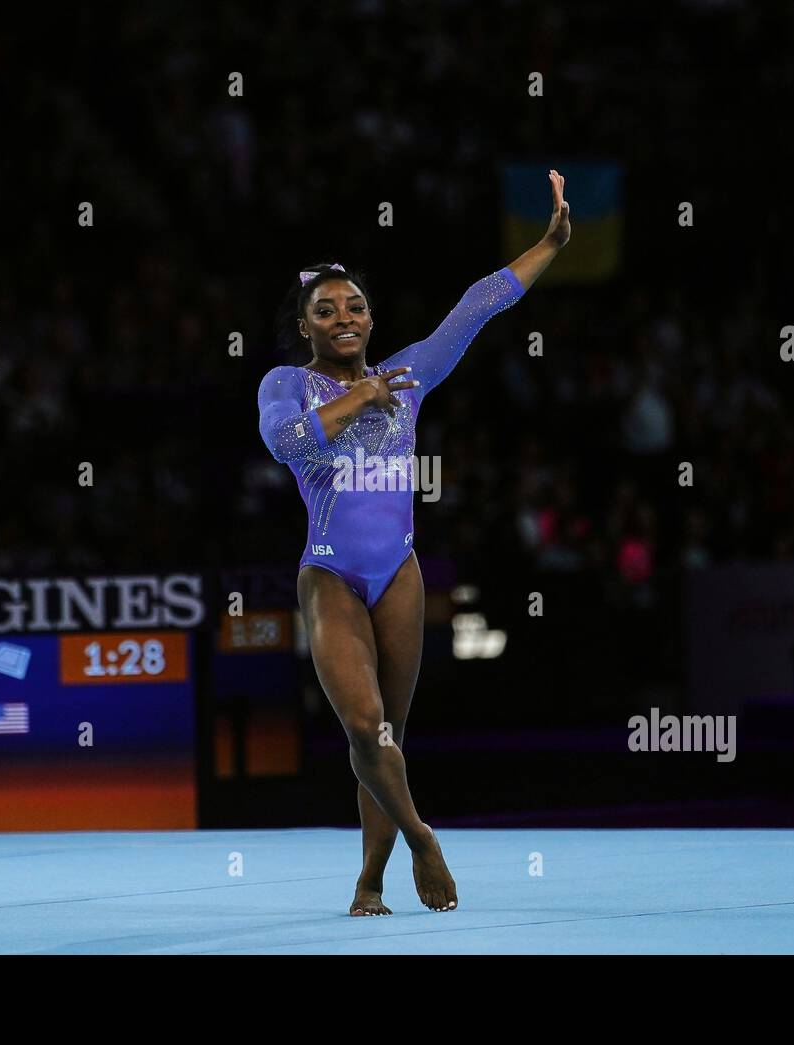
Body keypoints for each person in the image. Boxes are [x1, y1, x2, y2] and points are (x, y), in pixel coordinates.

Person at [258, 170, 571, 914]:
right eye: (325, 309)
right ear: (305, 325)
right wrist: (359, 398)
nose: (344, 316)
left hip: (399, 570)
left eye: (355, 305)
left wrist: (550, 244)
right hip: (329, 573)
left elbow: (476, 307)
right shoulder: (286, 382)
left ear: (370, 318)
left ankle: (369, 879)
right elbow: (283, 443)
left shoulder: (408, 376)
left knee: (386, 738)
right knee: (365, 726)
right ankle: (424, 839)